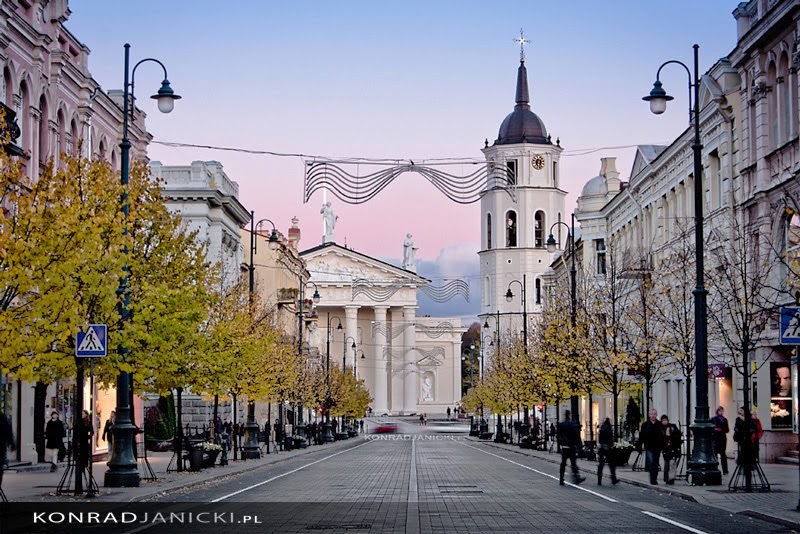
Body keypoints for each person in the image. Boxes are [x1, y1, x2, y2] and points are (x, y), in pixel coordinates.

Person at [556, 410, 586, 485]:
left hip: (564, 447)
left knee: (563, 463)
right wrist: (578, 444)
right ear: (569, 415)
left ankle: (561, 478)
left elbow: (558, 435)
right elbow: (576, 435)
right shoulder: (572, 424)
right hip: (571, 447)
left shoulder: (562, 424)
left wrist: (561, 443)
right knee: (573, 463)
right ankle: (577, 477)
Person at [640, 408, 664, 485]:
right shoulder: (645, 425)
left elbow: (662, 435)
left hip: (657, 446)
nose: (653, 416)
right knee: (651, 462)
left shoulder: (659, 424)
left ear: (656, 415)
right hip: (649, 446)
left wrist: (662, 445)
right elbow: (642, 436)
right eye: (651, 414)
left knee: (655, 462)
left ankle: (654, 478)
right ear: (649, 415)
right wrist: (640, 445)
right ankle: (652, 478)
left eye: (654, 414)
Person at [661, 415, 682, 485]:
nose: (664, 422)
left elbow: (678, 435)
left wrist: (671, 435)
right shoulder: (661, 429)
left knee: (672, 463)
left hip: (673, 448)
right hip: (666, 449)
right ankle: (666, 478)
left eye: (665, 420)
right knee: (667, 464)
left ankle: (671, 478)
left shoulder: (673, 426)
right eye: (663, 420)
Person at [597, 417, 618, 486]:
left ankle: (599, 480)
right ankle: (613, 479)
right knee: (611, 464)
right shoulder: (608, 429)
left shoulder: (602, 428)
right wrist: (611, 445)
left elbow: (600, 439)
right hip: (607, 448)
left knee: (601, 464)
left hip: (602, 448)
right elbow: (610, 438)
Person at [710, 406, 729, 475]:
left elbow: (727, 430)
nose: (721, 412)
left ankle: (725, 470)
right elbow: (711, 428)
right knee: (715, 454)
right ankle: (715, 469)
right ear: (717, 411)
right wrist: (715, 429)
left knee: (723, 454)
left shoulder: (724, 419)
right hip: (715, 438)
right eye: (720, 411)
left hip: (722, 438)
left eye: (722, 411)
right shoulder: (713, 419)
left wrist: (722, 429)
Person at [0, 414, 15, 487]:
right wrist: (11, 443)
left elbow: (8, 432)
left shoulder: (2, 418)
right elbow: (8, 432)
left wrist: (11, 443)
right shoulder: (2, 417)